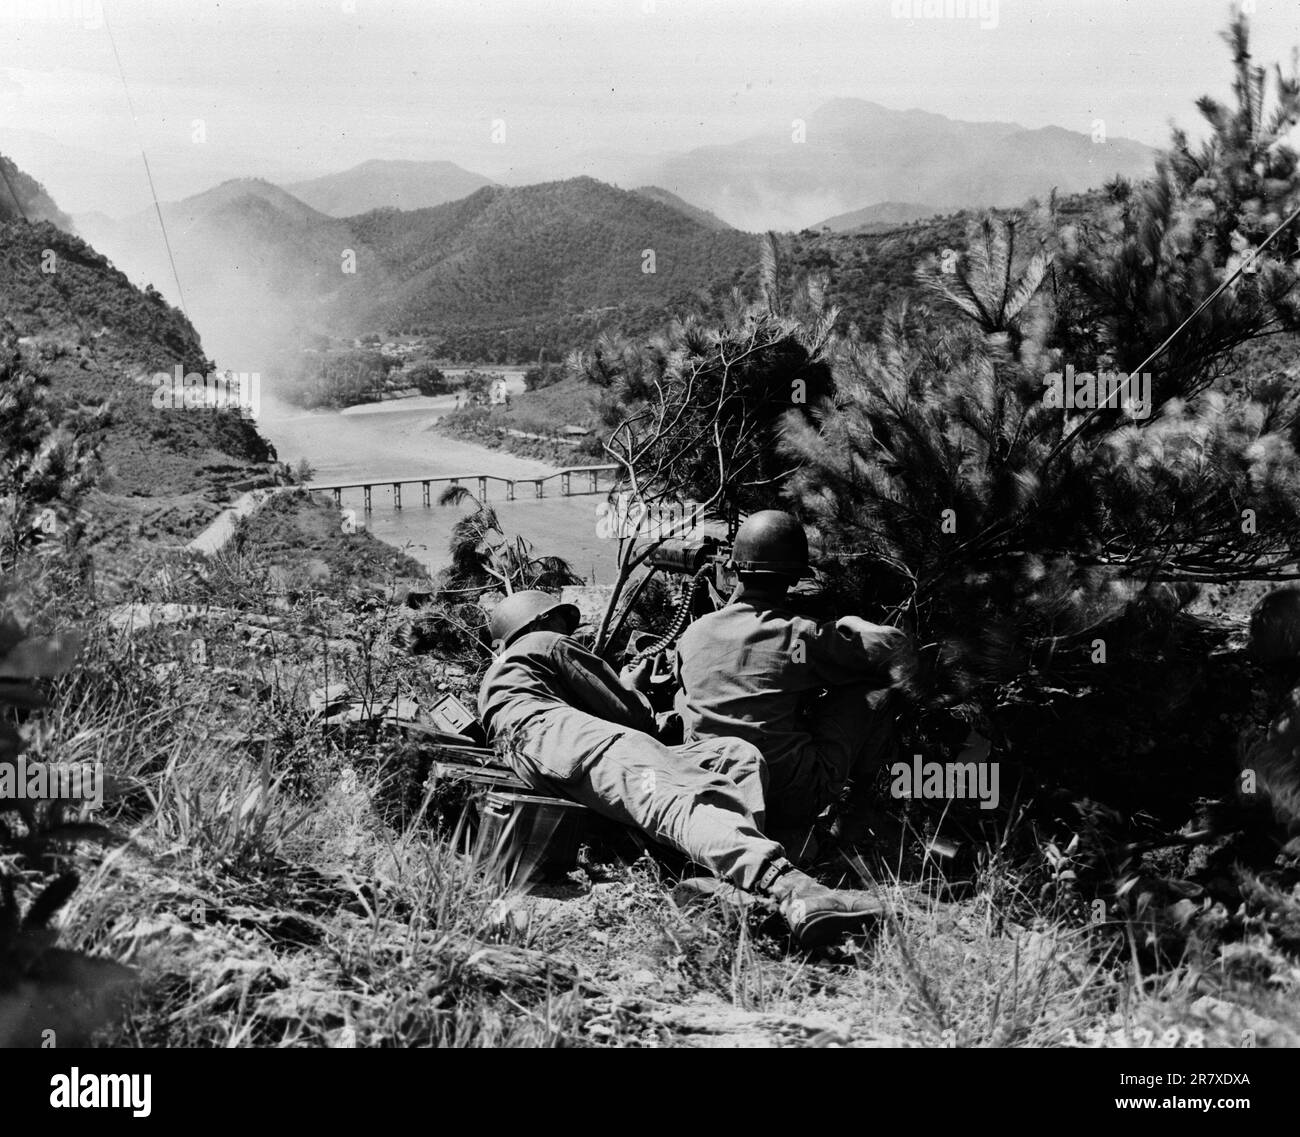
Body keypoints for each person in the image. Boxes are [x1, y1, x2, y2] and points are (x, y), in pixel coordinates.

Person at [477, 589, 894, 948]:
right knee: (673, 796)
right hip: (564, 737)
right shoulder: (544, 643)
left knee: (734, 755)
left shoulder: (508, 677)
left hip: (555, 746)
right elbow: (630, 716)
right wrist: (634, 686)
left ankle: (723, 883)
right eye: (560, 620)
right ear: (541, 621)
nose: (568, 631)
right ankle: (793, 890)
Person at [675, 510, 912, 843]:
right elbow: (892, 648)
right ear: (792, 578)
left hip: (712, 790)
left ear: (736, 567)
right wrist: (847, 623)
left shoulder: (695, 633)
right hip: (787, 799)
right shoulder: (801, 636)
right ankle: (859, 814)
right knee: (872, 690)